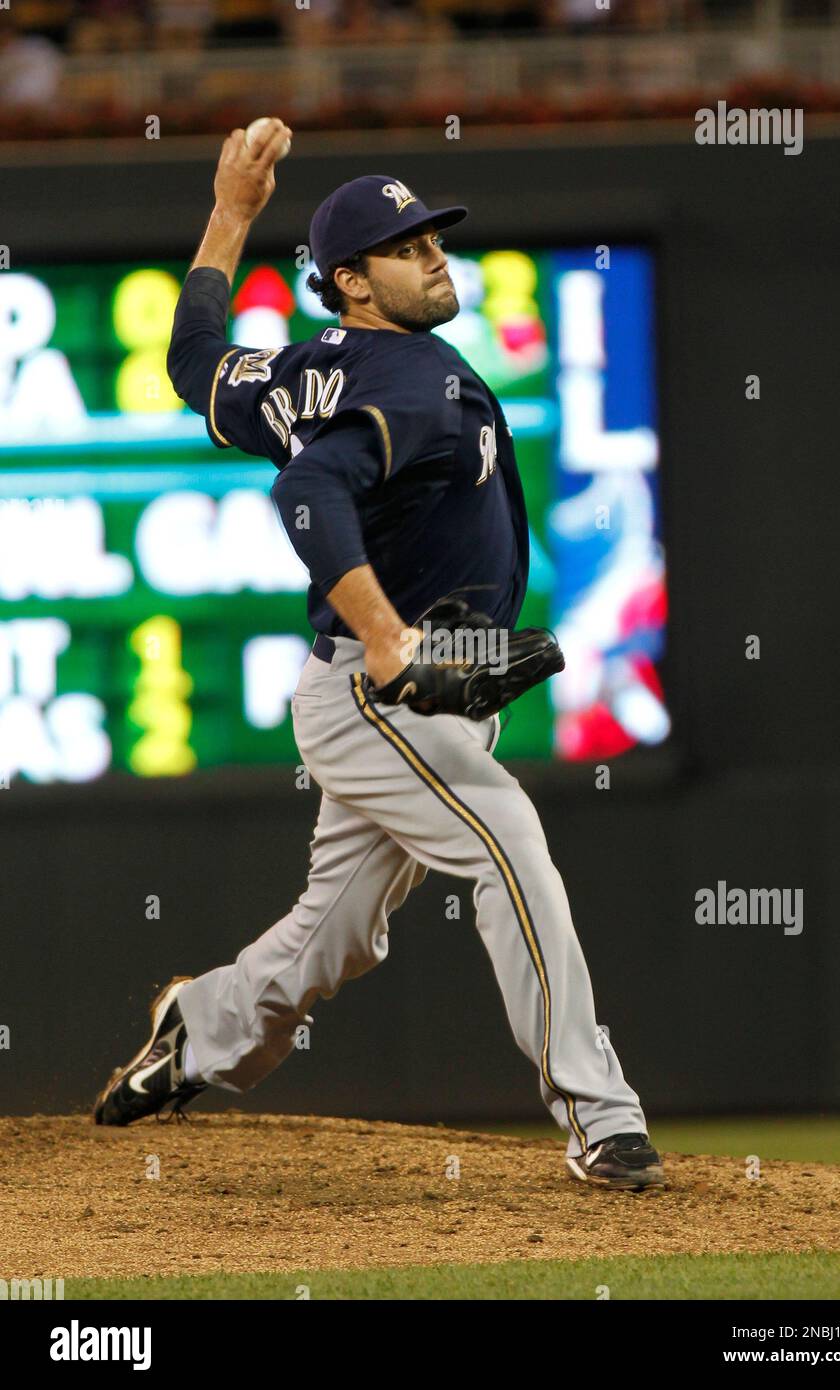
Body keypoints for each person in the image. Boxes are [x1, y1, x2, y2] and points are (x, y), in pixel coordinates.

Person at [93, 119, 664, 1191]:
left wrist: (229, 214)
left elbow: (192, 363)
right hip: (379, 695)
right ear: (351, 280)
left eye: (432, 238)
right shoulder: (406, 381)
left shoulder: (309, 371)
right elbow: (307, 493)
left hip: (399, 692)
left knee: (336, 938)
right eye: (406, 247)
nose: (434, 254)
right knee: (510, 849)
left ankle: (197, 1027)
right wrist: (392, 640)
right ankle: (601, 1115)